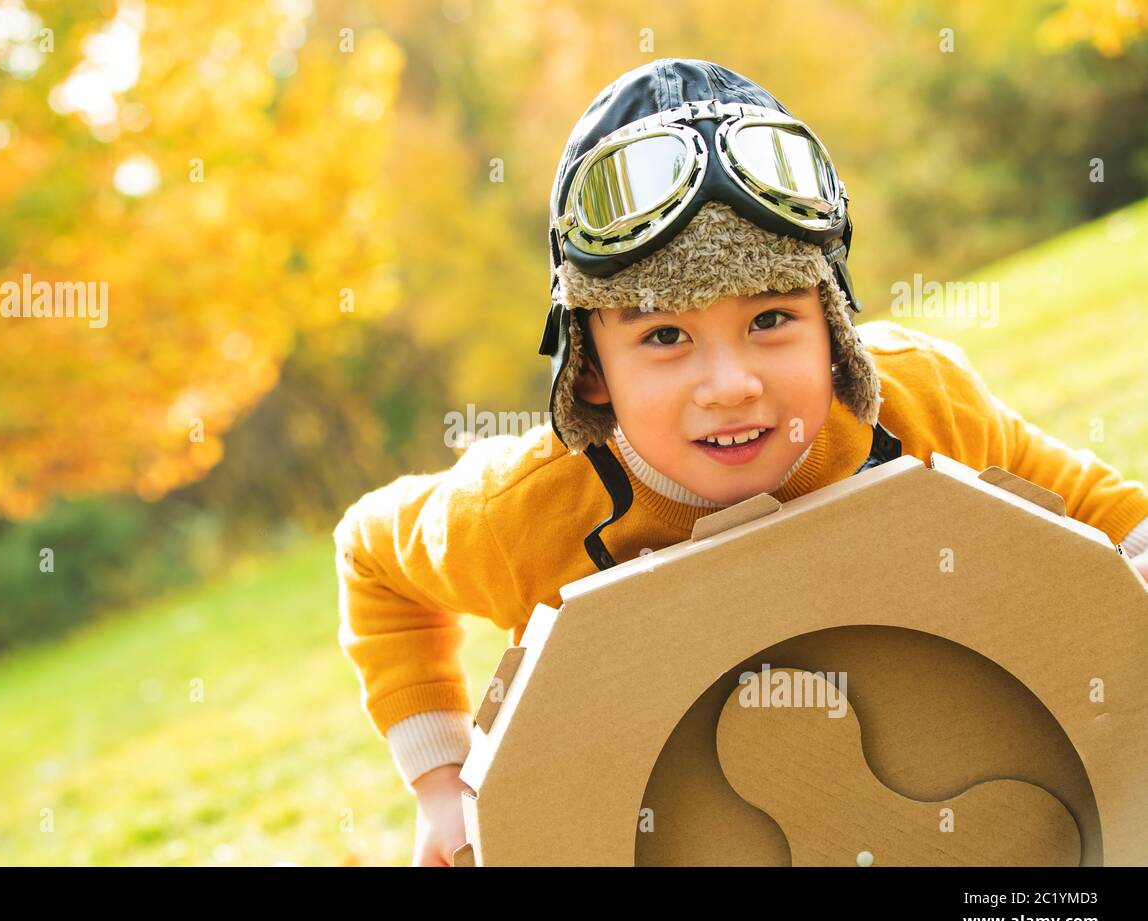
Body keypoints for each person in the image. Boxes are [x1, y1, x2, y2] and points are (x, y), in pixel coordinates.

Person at [333, 58, 1148, 866]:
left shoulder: (918, 404)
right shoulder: (518, 512)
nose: (729, 385)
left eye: (770, 319)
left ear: (833, 326)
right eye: (664, 337)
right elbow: (372, 556)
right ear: (588, 370)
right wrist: (439, 784)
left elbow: (1109, 519)